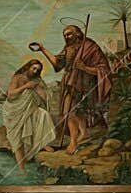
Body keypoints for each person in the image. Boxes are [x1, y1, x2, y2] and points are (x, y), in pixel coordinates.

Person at [28, 23, 112, 155]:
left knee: (76, 111)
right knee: (71, 111)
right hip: (70, 83)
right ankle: (79, 136)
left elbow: (104, 69)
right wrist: (43, 49)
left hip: (87, 84)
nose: (66, 37)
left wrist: (85, 68)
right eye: (65, 35)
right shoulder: (68, 49)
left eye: (69, 34)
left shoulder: (91, 47)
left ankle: (76, 139)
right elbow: (57, 64)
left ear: (78, 33)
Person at [1, 59, 56, 166]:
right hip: (15, 109)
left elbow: (44, 96)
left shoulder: (36, 80)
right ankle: (22, 168)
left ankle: (41, 143)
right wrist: (26, 87)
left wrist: (39, 88)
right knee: (18, 140)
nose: (35, 71)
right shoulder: (18, 77)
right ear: (28, 67)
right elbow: (10, 94)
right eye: (34, 68)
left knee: (43, 115)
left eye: (38, 70)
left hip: (30, 108)